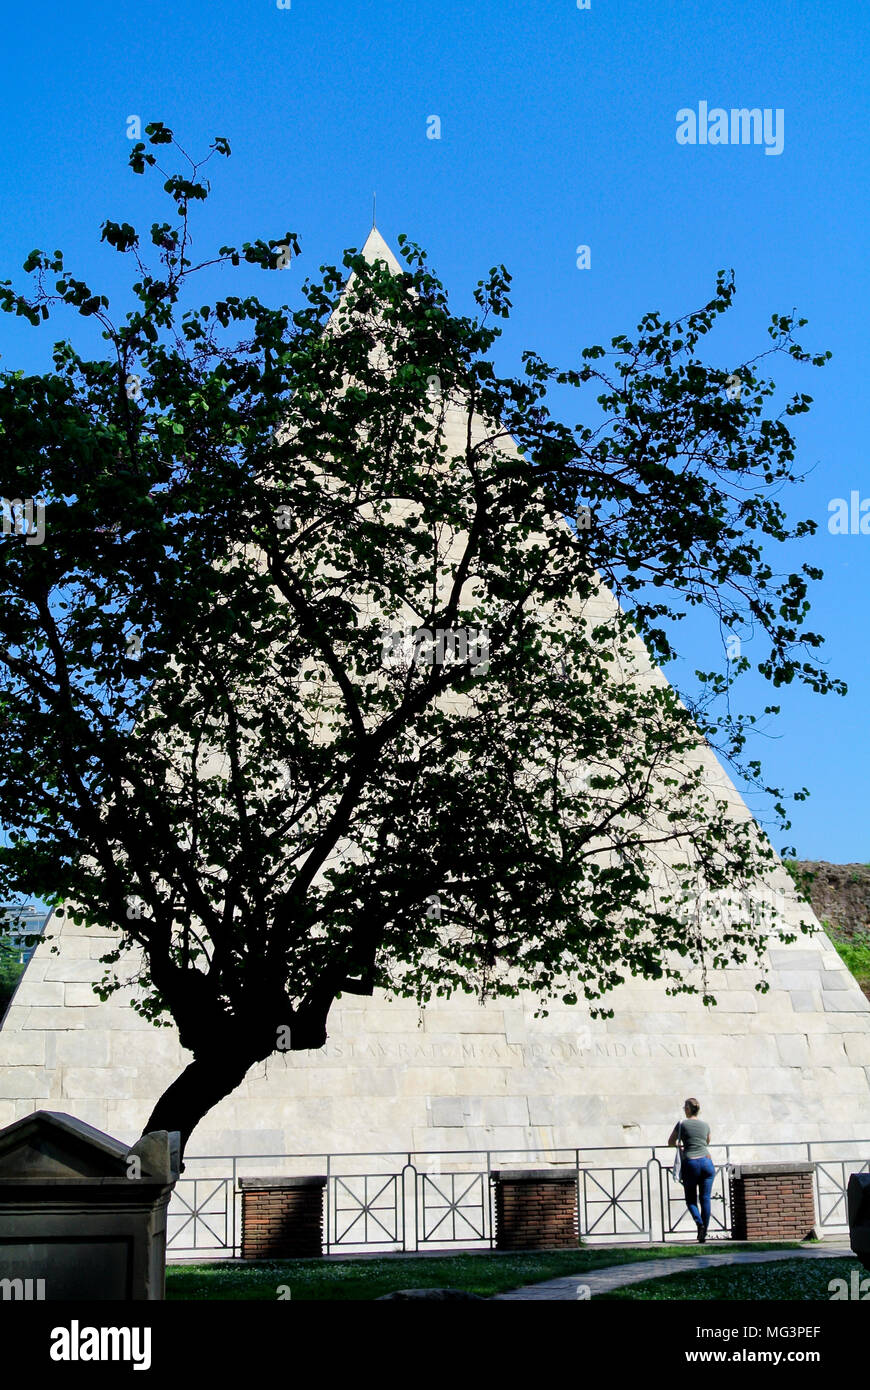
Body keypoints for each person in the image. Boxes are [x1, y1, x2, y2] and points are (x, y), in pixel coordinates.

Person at [668, 1097, 715, 1242]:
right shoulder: (705, 1125)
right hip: (707, 1163)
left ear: (688, 1109)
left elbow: (670, 1142)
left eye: (684, 1107)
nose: (684, 1110)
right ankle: (704, 1233)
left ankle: (699, 1224)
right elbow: (707, 1141)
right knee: (705, 1199)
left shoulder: (681, 1124)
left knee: (691, 1200)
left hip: (691, 1163)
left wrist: (680, 1146)